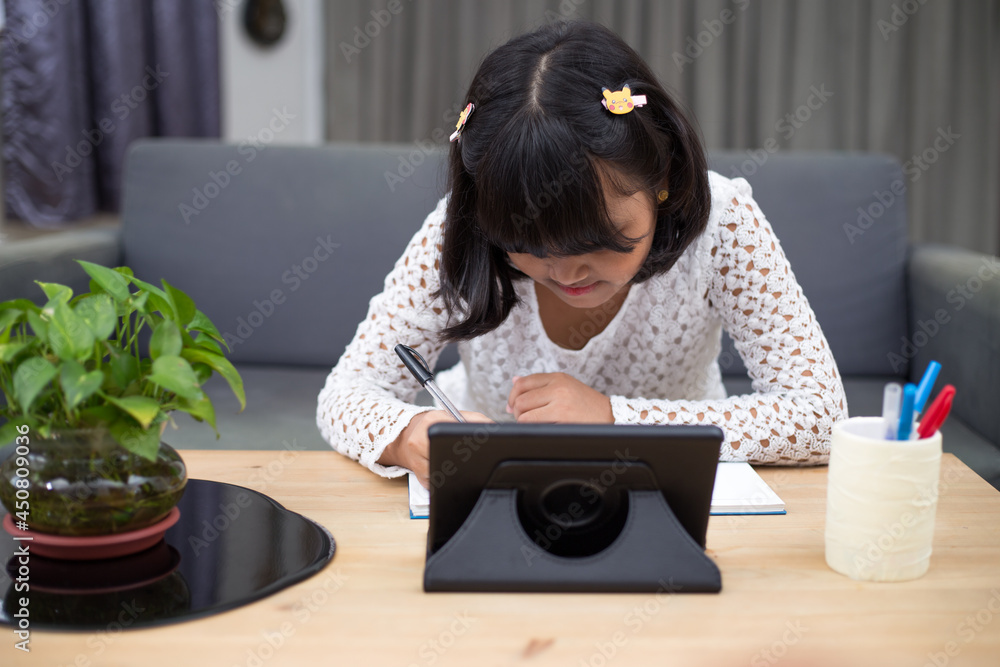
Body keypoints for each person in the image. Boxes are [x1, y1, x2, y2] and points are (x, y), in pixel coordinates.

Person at [316, 20, 848, 487]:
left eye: (599, 241)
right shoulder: (460, 229)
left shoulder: (723, 224)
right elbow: (346, 392)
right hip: (501, 492)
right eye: (527, 245)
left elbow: (821, 417)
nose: (568, 273)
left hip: (674, 487)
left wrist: (613, 419)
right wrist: (407, 434)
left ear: (661, 179)